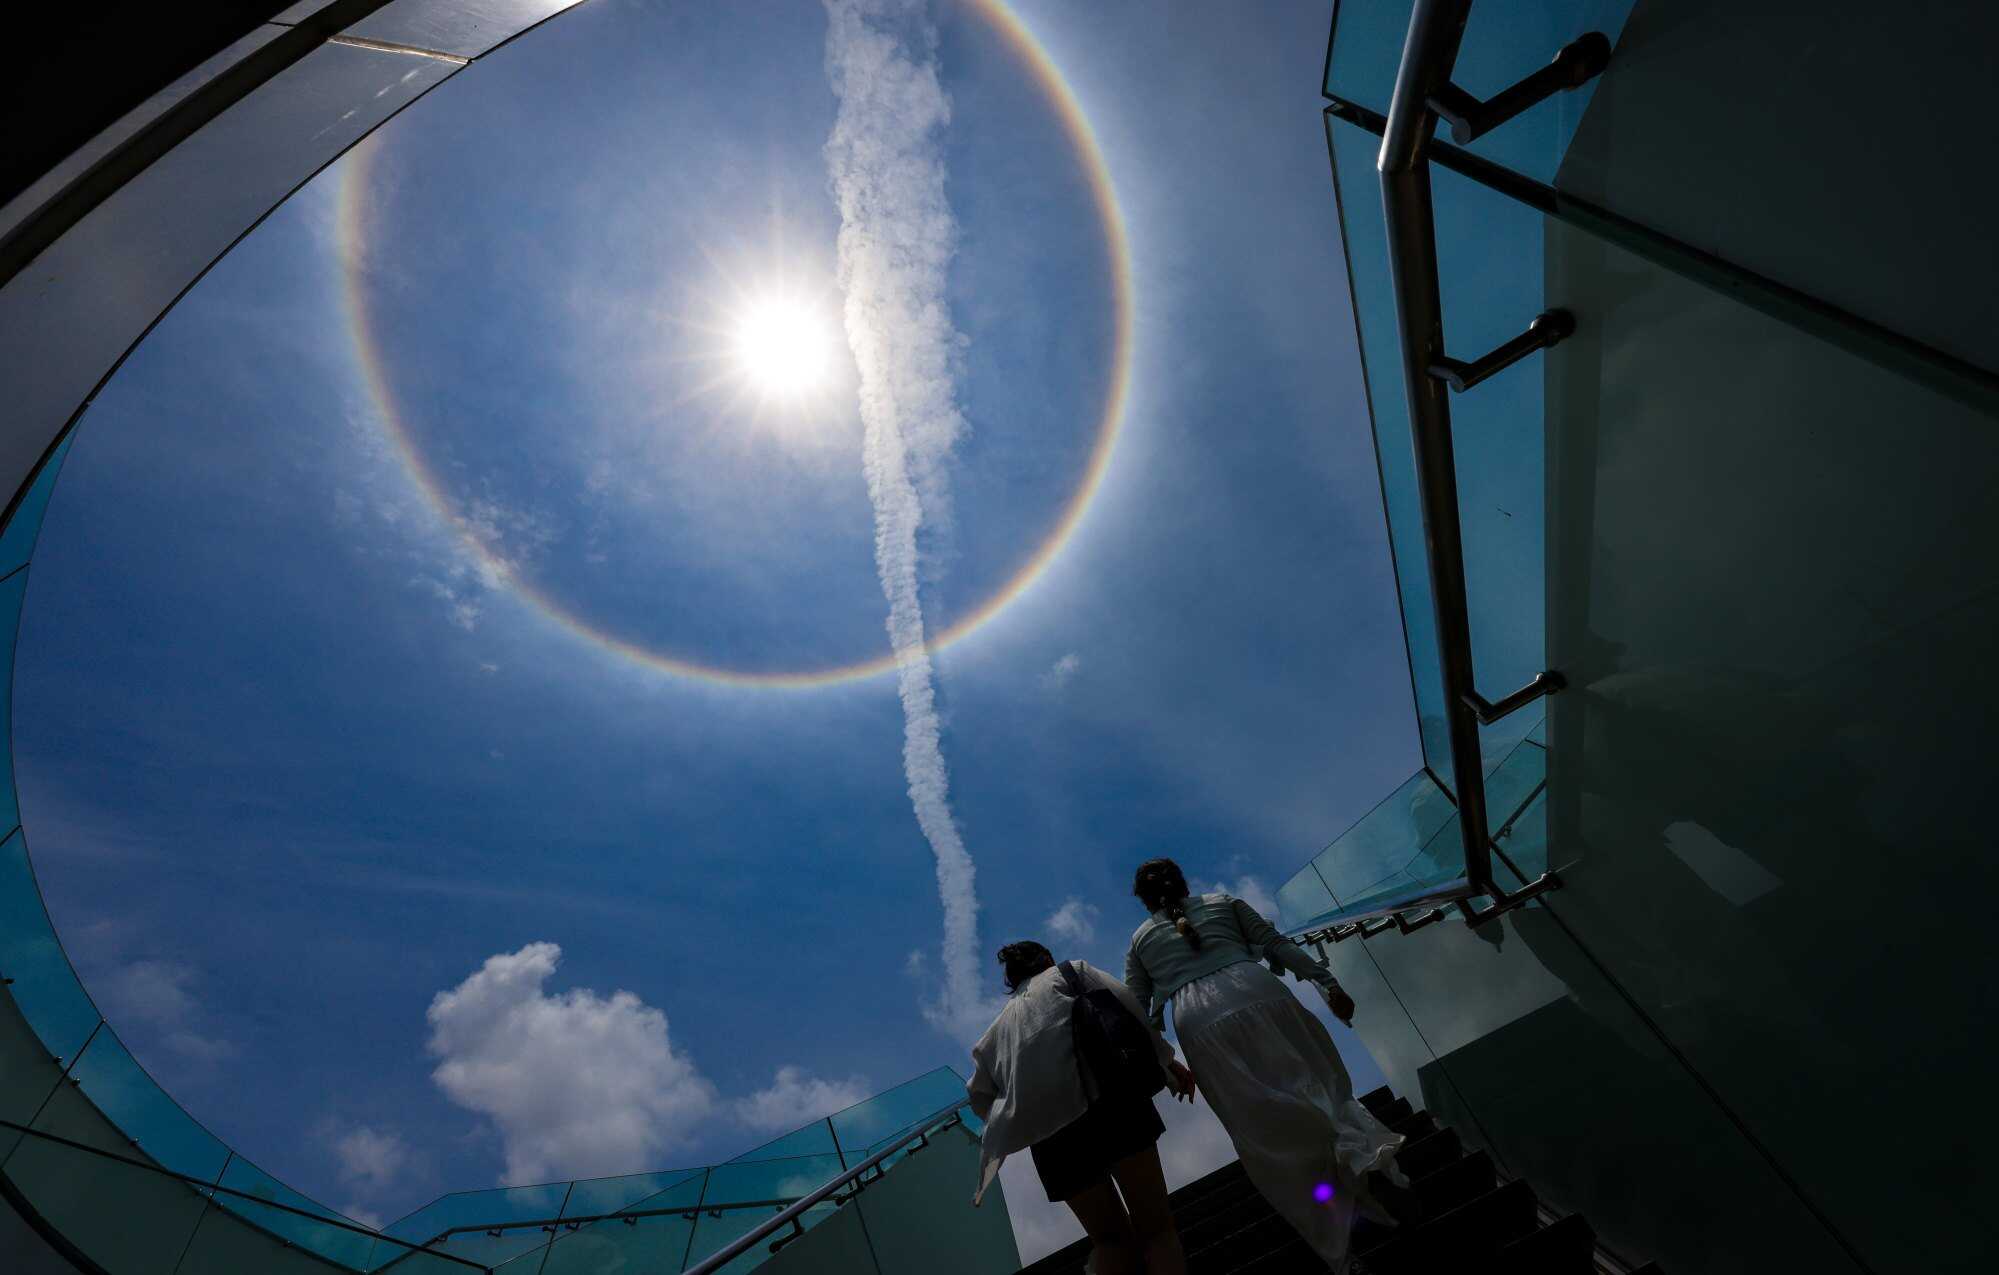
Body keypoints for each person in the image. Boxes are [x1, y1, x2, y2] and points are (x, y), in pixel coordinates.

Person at [1123, 858, 1412, 1272]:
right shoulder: (1224, 902)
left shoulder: (1139, 941)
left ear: (1143, 899)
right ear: (1183, 884)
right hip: (1258, 991)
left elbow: (1137, 1013)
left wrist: (1167, 1064)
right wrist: (1326, 983)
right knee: (1319, 1086)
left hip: (1200, 1022)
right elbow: (1275, 944)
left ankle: (1339, 1237)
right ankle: (1356, 1156)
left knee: (1264, 1133)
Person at [968, 940, 1197, 1275]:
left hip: (1051, 1140)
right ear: (1046, 958)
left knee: (1109, 1242)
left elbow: (979, 1098)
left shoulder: (993, 1036)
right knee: (1156, 1230)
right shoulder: (1072, 973)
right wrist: (1168, 1063)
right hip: (1112, 1104)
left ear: (1011, 982)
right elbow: (1130, 1011)